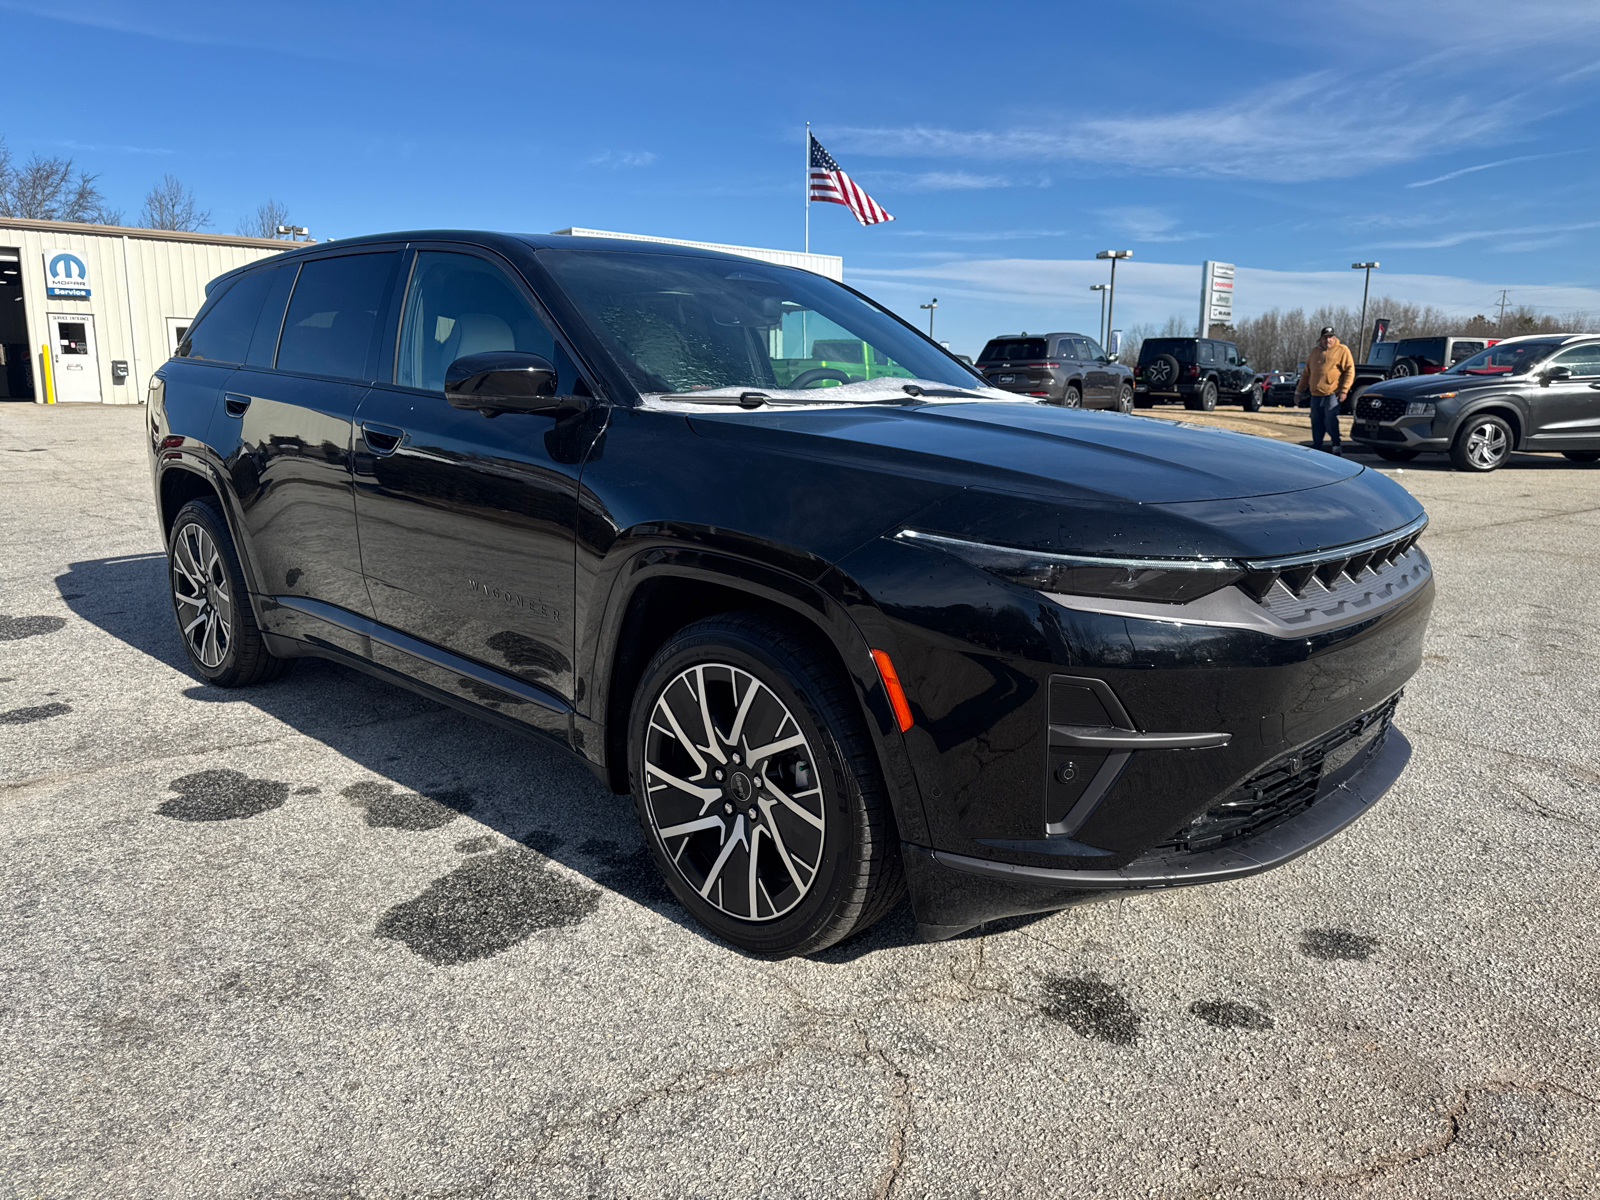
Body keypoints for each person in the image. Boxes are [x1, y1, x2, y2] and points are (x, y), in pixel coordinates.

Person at [1295, 326, 1354, 455]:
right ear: (1320, 339)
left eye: (1330, 337)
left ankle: (1336, 444)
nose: (1328, 340)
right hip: (1316, 393)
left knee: (1330, 417)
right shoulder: (1314, 352)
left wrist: (1344, 390)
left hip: (1333, 392)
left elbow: (1350, 371)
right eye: (1325, 337)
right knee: (1316, 420)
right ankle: (1317, 446)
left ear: (1334, 338)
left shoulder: (1342, 350)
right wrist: (1299, 391)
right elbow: (1306, 374)